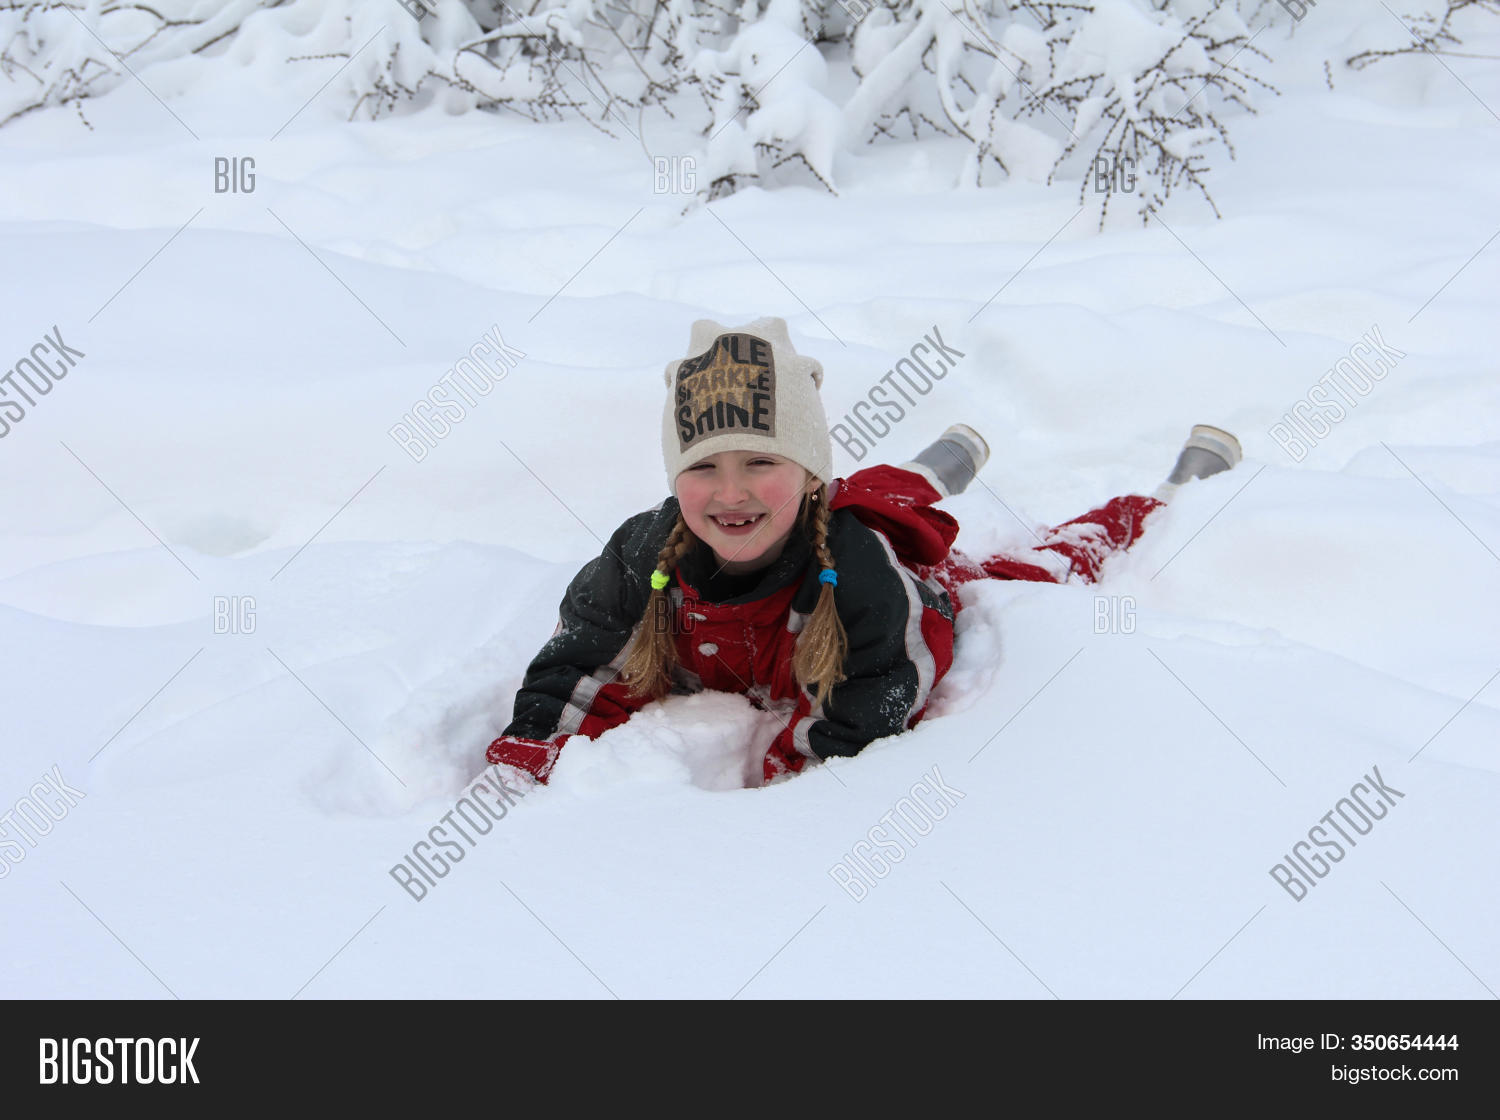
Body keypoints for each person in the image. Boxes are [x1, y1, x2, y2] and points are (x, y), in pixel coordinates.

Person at [485, 317, 1242, 787]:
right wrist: (532, 752)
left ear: (810, 473)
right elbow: (579, 661)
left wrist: (793, 788)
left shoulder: (859, 572)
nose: (730, 491)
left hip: (902, 564)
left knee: (1013, 566)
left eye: (761, 461)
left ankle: (1162, 497)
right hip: (828, 504)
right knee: (885, 487)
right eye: (703, 467)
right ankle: (941, 462)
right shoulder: (643, 556)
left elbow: (876, 698)